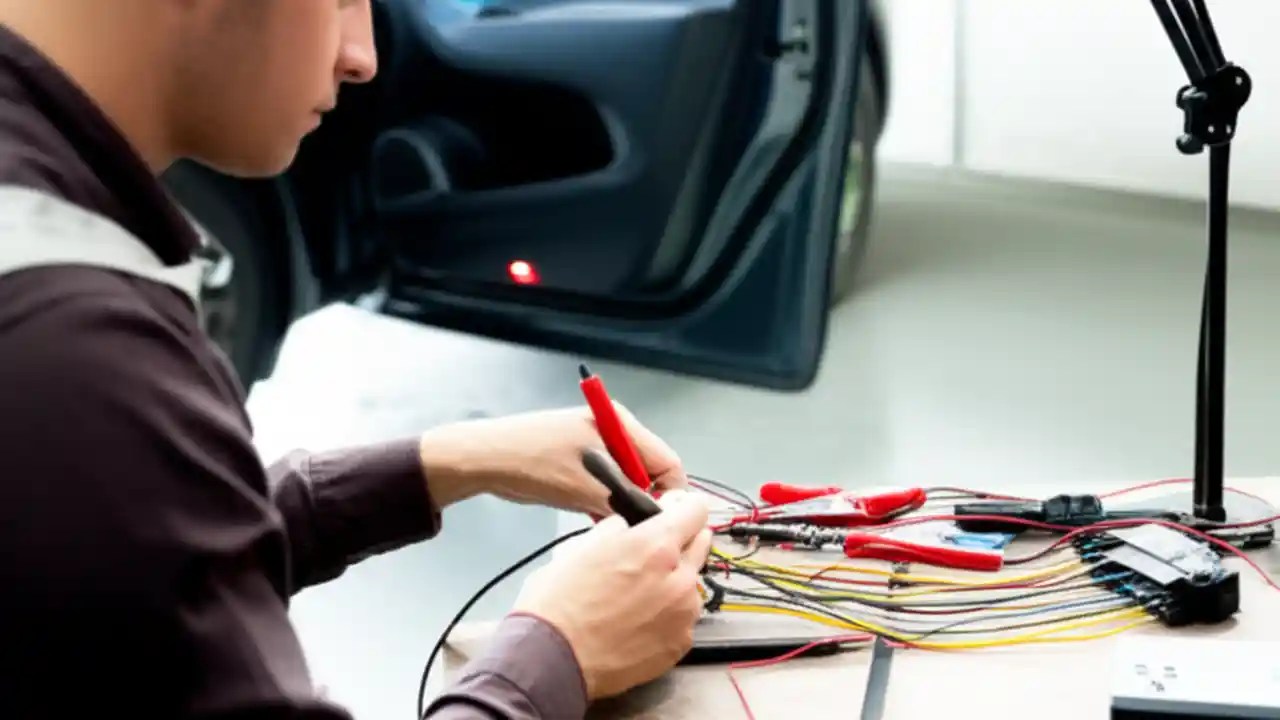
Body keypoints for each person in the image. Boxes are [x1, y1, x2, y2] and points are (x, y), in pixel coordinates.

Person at [0, 1, 712, 718]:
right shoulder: (77, 347)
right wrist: (559, 653)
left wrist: (448, 462)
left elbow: (117, 558)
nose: (362, 57)